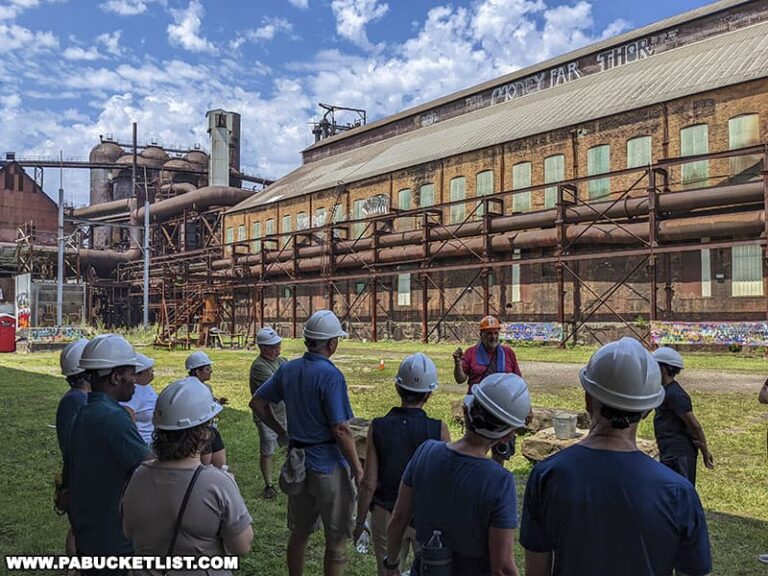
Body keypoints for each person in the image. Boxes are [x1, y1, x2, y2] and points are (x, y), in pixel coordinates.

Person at [521, 337, 712, 576]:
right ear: (646, 411)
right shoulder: (679, 492)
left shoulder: (546, 476)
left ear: (588, 400)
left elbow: (536, 570)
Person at [251, 310, 363, 576]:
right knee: (335, 540)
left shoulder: (289, 369)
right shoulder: (331, 375)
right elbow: (340, 429)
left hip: (298, 461)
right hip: (328, 465)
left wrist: (282, 431)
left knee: (300, 533)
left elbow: (257, 402)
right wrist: (358, 469)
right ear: (332, 343)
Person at [384, 372, 531, 576]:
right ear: (507, 435)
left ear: (465, 410)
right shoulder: (499, 481)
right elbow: (502, 567)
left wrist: (391, 565)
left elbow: (398, 519)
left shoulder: (425, 452)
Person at [122, 377, 253, 575]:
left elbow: (128, 531)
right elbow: (241, 546)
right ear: (203, 433)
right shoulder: (217, 482)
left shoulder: (139, 475)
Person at [354, 353, 450, 576]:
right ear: (429, 393)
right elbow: (446, 481)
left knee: (388, 570)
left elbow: (368, 482)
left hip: (386, 513)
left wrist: (360, 521)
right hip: (426, 517)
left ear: (398, 388)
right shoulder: (439, 429)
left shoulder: (378, 427)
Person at [66, 334, 149, 573]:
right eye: (132, 374)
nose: (135, 381)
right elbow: (148, 466)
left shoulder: (83, 413)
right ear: (115, 377)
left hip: (89, 534)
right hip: (113, 540)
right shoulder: (112, 417)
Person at [453, 315, 522, 465]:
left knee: (500, 449)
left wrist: (527, 408)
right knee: (475, 447)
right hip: (477, 409)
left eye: (496, 333)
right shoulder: (471, 353)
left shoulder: (508, 353)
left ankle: (495, 475)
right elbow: (460, 379)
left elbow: (518, 381)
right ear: (481, 335)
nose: (493, 336)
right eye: (489, 333)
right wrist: (458, 364)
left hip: (500, 408)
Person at [652, 347, 714, 485]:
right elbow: (644, 412)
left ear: (662, 370)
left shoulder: (676, 395)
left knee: (682, 490)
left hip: (679, 453)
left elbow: (695, 426)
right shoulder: (661, 390)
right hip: (667, 450)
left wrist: (704, 450)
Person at [55, 338, 90, 557]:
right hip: (81, 477)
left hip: (81, 474)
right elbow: (74, 446)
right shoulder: (76, 401)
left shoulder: (78, 399)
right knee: (80, 530)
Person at [249, 327, 288, 499]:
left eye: (278, 344)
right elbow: (280, 386)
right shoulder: (259, 366)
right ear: (263, 348)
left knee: (290, 446)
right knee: (268, 449)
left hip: (284, 413)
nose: (277, 349)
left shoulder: (282, 361)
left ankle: (290, 477)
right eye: (273, 346)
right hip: (266, 416)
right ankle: (269, 484)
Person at [186, 350, 226, 468]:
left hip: (211, 428)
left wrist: (217, 402)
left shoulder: (206, 387)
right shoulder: (188, 389)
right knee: (204, 465)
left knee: (220, 465)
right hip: (200, 431)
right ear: (198, 371)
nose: (211, 371)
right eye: (207, 369)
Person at [120, 353, 157, 445]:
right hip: (145, 441)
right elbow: (128, 411)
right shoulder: (135, 390)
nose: (151, 372)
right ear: (136, 376)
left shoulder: (145, 386)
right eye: (148, 370)